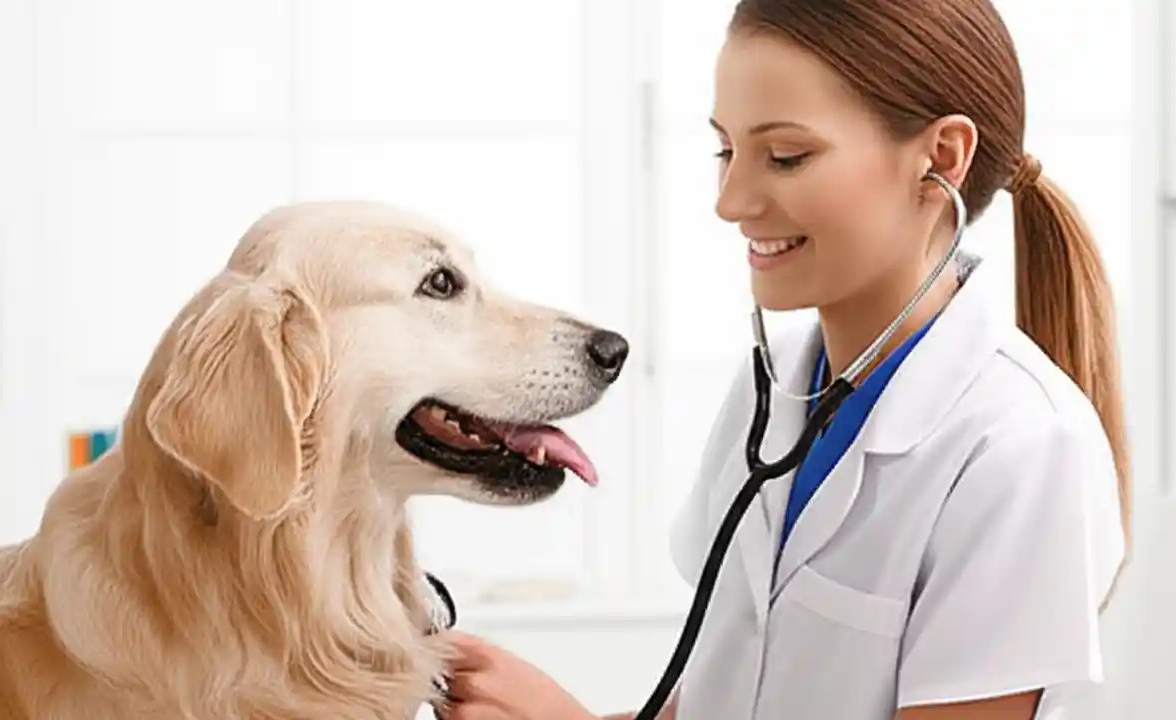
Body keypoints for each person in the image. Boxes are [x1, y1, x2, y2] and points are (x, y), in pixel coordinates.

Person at [437, 0, 1129, 718]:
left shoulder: (1020, 448)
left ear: (941, 158)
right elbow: (725, 698)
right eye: (725, 151)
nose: (730, 201)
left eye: (786, 157)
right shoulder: (771, 392)